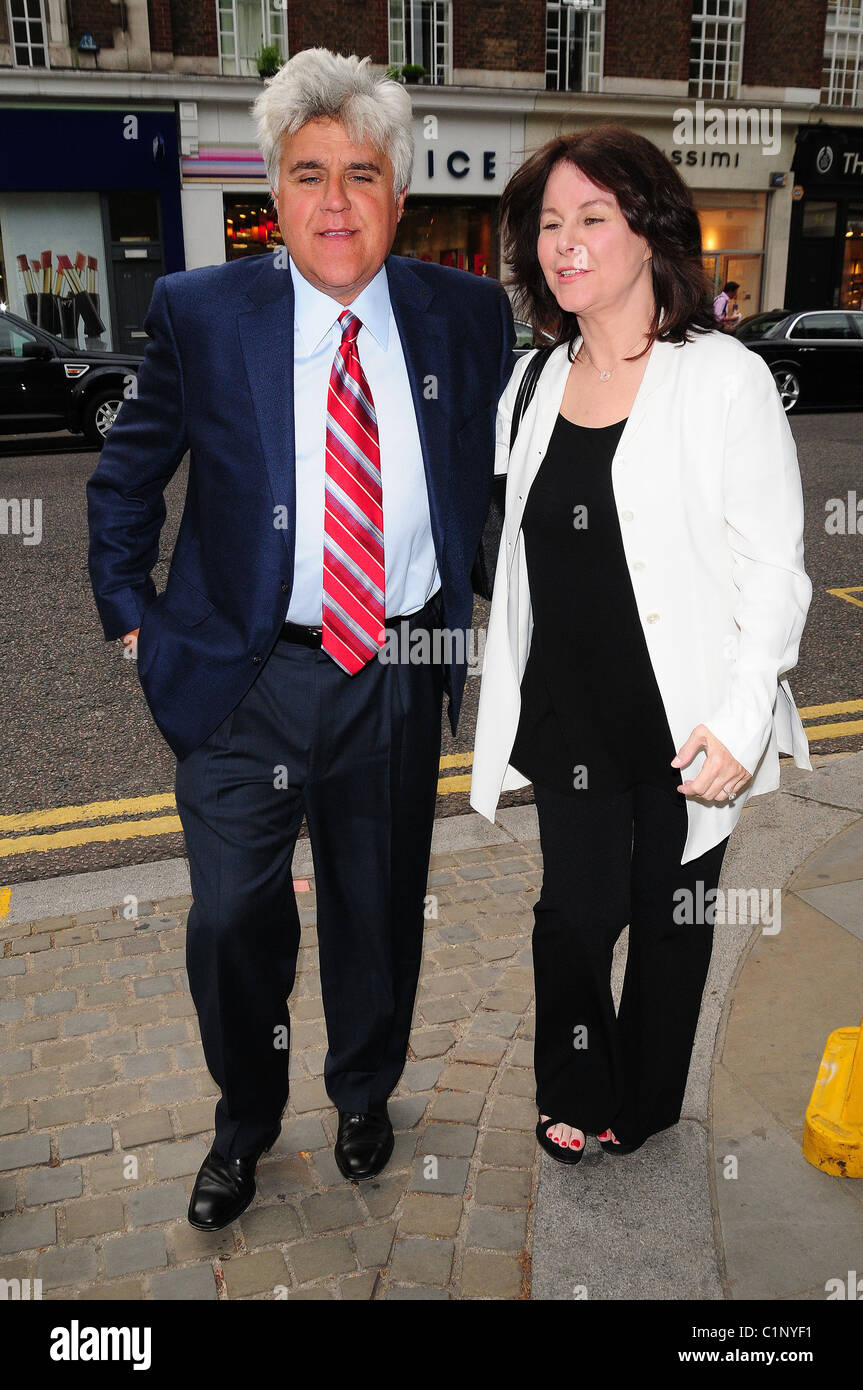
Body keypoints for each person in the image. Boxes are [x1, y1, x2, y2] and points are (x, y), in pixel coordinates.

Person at [87, 48, 514, 1229]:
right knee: (232, 917)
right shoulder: (199, 311)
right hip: (243, 681)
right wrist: (132, 619)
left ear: (400, 194)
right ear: (272, 191)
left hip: (391, 672)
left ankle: (364, 1093)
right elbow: (126, 478)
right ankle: (244, 1119)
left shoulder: (467, 314)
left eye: (361, 175)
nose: (335, 203)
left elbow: (509, 477)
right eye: (309, 173)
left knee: (377, 914)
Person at [470, 126, 811, 1164]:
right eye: (548, 225)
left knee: (672, 919)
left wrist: (744, 714)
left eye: (591, 218)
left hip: (687, 718)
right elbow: (514, 547)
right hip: (569, 715)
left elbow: (775, 569)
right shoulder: (529, 386)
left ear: (647, 228)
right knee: (573, 917)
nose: (563, 243)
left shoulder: (720, 379)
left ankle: (646, 1096)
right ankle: (572, 1080)